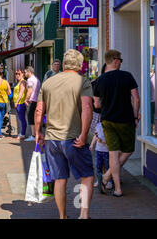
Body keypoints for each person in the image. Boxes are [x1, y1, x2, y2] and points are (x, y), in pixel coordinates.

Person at [35, 49, 94, 219]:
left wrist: (38, 132)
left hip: (52, 139)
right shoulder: (82, 82)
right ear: (79, 64)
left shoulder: (48, 83)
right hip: (73, 138)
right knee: (87, 176)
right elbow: (88, 108)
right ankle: (83, 215)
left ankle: (62, 215)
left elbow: (39, 109)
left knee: (60, 179)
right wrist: (83, 135)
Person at [93, 50, 140, 197]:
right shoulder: (127, 76)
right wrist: (135, 117)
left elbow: (97, 104)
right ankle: (107, 178)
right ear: (115, 60)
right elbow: (136, 98)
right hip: (125, 119)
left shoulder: (100, 80)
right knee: (128, 150)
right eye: (120, 60)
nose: (121, 62)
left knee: (113, 153)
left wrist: (108, 102)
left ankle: (115, 186)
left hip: (107, 120)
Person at [90, 122, 113, 190]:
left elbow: (112, 138)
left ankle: (109, 182)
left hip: (107, 151)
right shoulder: (98, 125)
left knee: (108, 166)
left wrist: (104, 142)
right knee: (98, 166)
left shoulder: (109, 125)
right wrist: (92, 144)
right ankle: (99, 181)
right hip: (98, 150)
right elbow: (96, 135)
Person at [24, 66, 41, 141]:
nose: (24, 74)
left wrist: (26, 99)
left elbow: (30, 91)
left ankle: (33, 135)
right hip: (37, 100)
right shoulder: (37, 79)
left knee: (30, 118)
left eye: (25, 72)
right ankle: (36, 134)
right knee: (35, 118)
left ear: (29, 72)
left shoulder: (30, 80)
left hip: (31, 101)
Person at [13, 70, 28, 140]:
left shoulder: (23, 82)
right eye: (16, 74)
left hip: (20, 103)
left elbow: (21, 92)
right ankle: (22, 133)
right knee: (21, 119)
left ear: (23, 74)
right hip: (19, 103)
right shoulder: (20, 82)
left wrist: (17, 102)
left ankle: (23, 134)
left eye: (19, 74)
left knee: (22, 119)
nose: (17, 75)